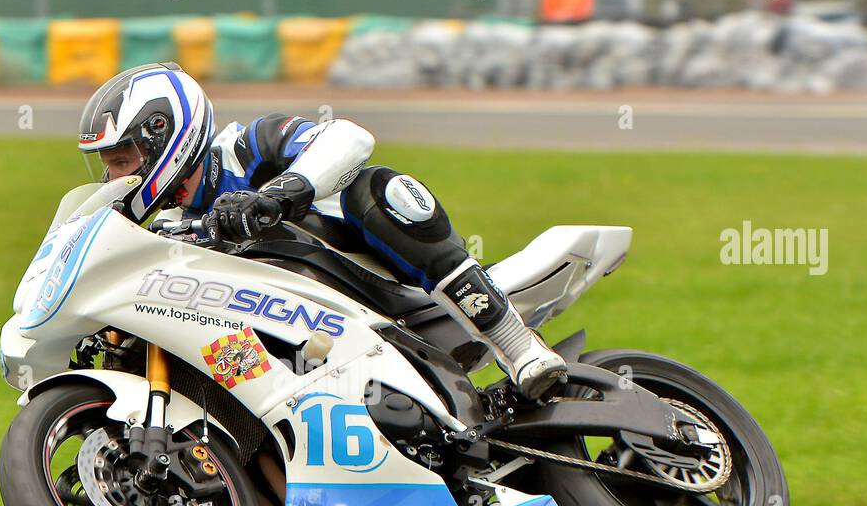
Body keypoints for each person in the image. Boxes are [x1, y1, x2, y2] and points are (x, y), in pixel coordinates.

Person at [74, 62, 567, 399]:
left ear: (162, 136)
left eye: (122, 160)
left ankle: (518, 346)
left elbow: (351, 138)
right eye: (108, 165)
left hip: (373, 281)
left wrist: (273, 197)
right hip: (295, 352)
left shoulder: (248, 147)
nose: (114, 177)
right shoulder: (162, 227)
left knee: (379, 190)